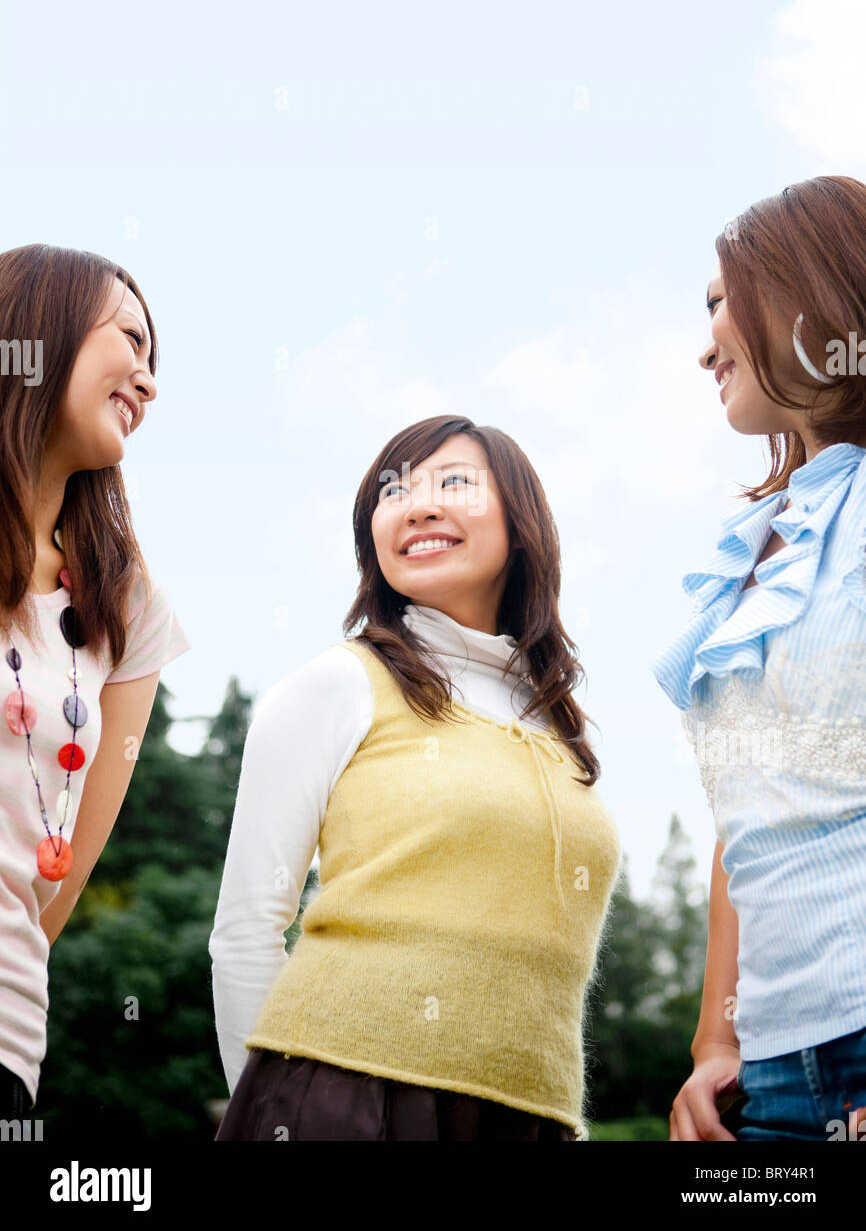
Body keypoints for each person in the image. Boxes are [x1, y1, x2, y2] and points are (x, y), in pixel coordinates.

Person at [210, 414, 620, 1141]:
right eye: (392, 491)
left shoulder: (560, 724)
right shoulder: (338, 684)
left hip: (529, 1116)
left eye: (453, 482)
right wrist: (269, 1119)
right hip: (345, 1097)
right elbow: (246, 932)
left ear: (522, 521)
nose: (417, 504)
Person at [651, 176, 866, 1142]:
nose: (704, 347)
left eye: (717, 304)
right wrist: (715, 1044)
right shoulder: (753, 549)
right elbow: (743, 821)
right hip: (771, 1076)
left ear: (806, 289)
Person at [0, 244, 191, 1123]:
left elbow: (63, 872)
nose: (147, 382)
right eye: (131, 340)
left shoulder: (129, 607)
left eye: (156, 364)